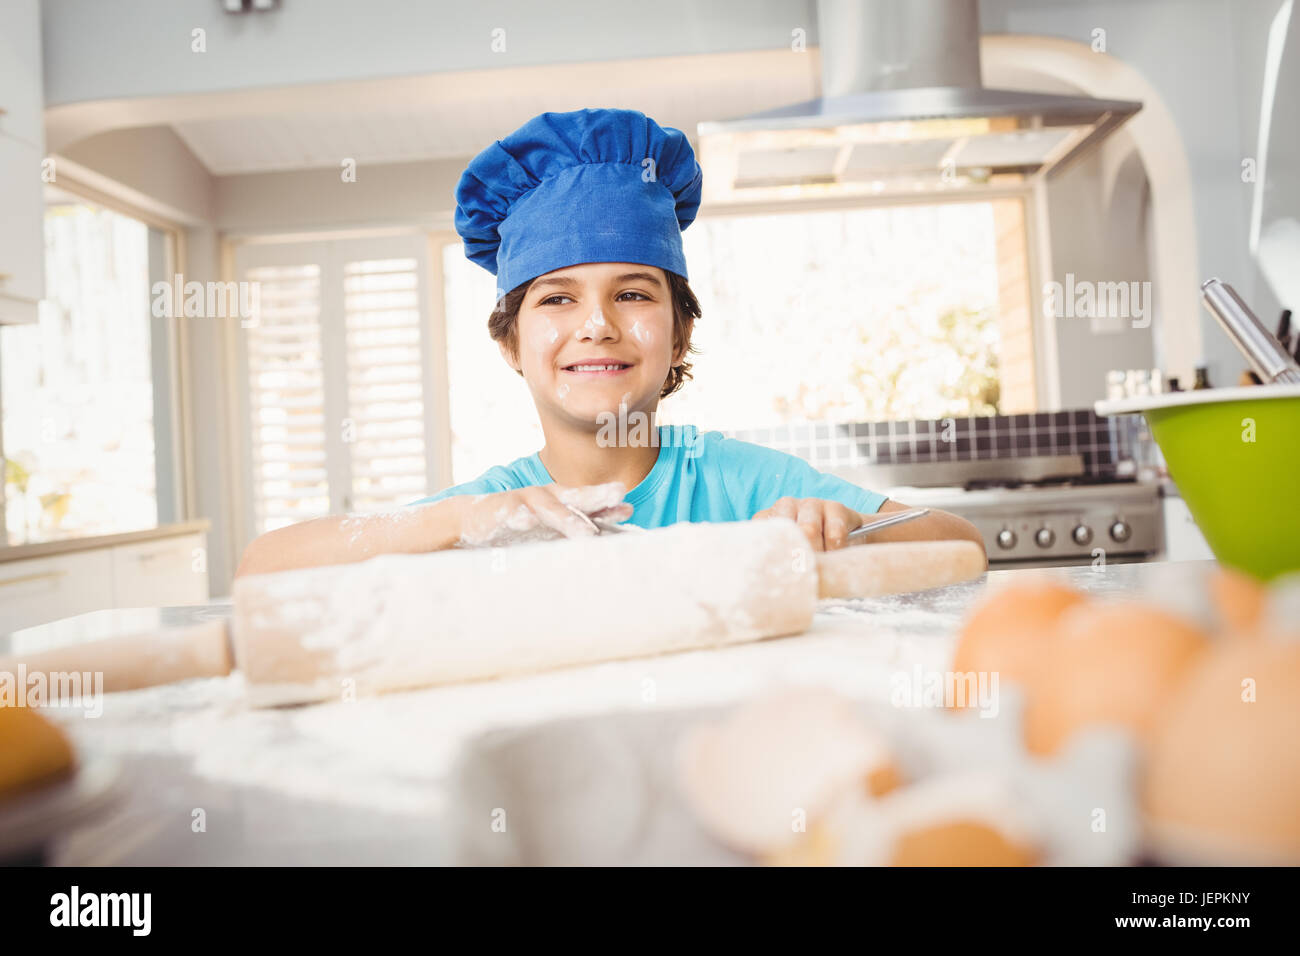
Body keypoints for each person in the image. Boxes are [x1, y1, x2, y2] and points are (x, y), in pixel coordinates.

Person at [236, 108, 984, 577]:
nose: (597, 323)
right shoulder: (494, 511)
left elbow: (960, 547)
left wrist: (846, 525)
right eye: (558, 299)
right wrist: (461, 523)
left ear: (679, 330)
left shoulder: (739, 484)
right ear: (510, 344)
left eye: (632, 293)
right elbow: (263, 569)